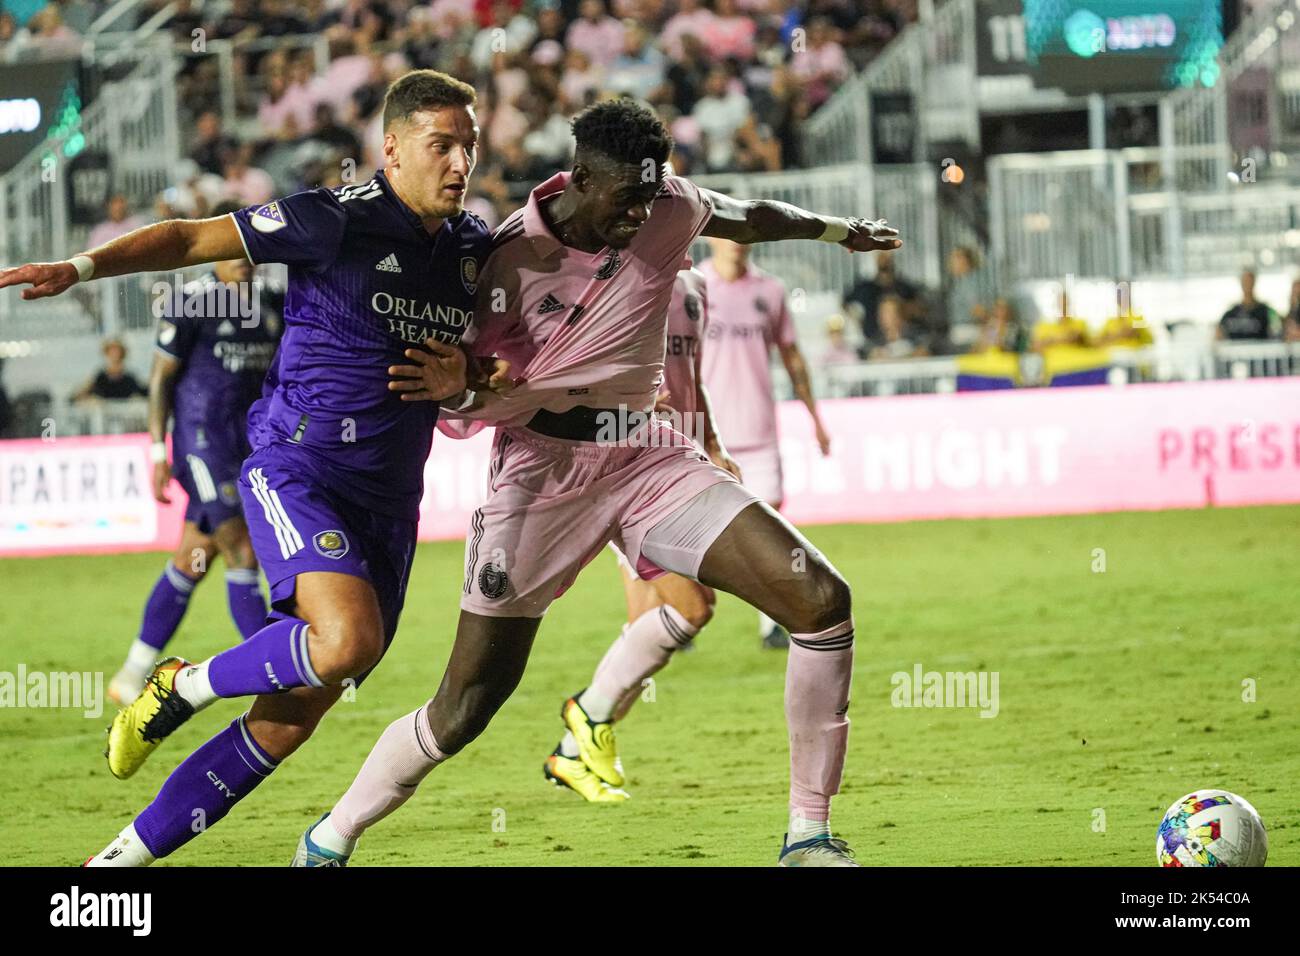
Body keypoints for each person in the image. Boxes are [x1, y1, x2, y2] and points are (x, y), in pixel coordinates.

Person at [292, 98, 900, 868]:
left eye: (652, 195)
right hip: (540, 476)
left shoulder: (670, 205)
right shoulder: (504, 260)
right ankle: (329, 838)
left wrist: (841, 231)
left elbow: (748, 217)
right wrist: (461, 386)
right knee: (466, 707)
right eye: (627, 198)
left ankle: (808, 836)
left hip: (646, 455)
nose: (642, 212)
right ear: (579, 178)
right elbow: (459, 390)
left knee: (820, 599)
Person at [0, 69, 499, 867]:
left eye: (469, 147)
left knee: (289, 719)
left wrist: (468, 378)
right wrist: (81, 267)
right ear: (393, 148)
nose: (459, 164)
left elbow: (507, 367)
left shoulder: (477, 250)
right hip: (298, 468)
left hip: (392, 504)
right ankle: (180, 682)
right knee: (342, 642)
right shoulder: (332, 220)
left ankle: (112, 867)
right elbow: (191, 238)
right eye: (442, 145)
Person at [544, 266, 740, 802]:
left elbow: (691, 376)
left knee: (645, 633)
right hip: (628, 468)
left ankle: (570, 751)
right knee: (693, 609)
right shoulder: (609, 278)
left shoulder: (696, 286)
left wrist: (714, 443)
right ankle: (584, 714)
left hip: (679, 464)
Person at [106, 201, 283, 708]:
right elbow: (162, 378)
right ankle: (268, 671)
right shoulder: (193, 302)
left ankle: (132, 672)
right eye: (236, 247)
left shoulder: (272, 303)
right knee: (242, 550)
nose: (245, 257)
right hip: (201, 445)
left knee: (192, 559)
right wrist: (158, 449)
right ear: (217, 249)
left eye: (252, 247)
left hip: (249, 445)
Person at [700, 236, 833, 648]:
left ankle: (770, 624)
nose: (737, 242)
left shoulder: (770, 291)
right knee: (691, 532)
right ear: (709, 236)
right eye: (728, 233)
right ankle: (679, 614)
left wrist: (815, 417)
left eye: (745, 235)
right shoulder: (690, 286)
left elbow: (792, 356)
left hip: (759, 434)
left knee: (770, 531)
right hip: (703, 437)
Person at [72, 339, 147, 402]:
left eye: (117, 351)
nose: (115, 355)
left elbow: (142, 392)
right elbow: (84, 392)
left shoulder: (129, 378)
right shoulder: (101, 377)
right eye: (111, 352)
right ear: (107, 354)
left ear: (123, 354)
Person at [1217, 270, 1280, 340]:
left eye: (1250, 281)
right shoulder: (1231, 313)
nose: (1247, 285)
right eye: (1245, 281)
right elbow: (1218, 335)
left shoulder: (1265, 311)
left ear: (1254, 282)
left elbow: (1277, 330)